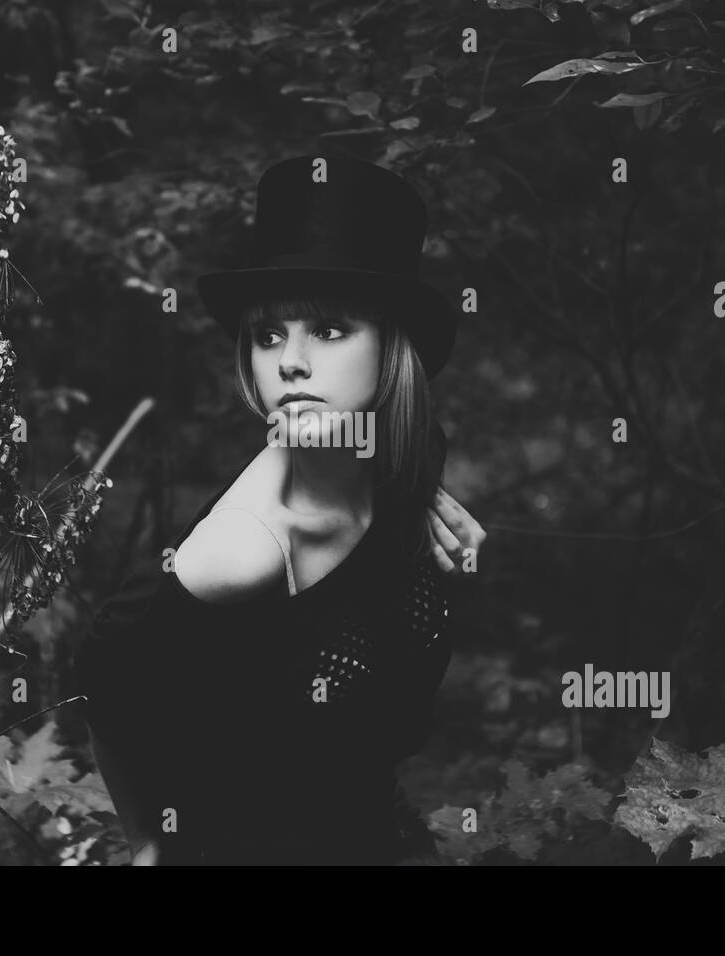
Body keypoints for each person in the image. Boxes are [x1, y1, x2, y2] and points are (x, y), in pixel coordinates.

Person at [74, 154, 486, 865]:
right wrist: (149, 842)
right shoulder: (242, 551)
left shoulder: (408, 460)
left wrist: (429, 517)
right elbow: (108, 680)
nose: (290, 362)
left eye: (329, 329)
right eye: (269, 336)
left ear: (393, 350)